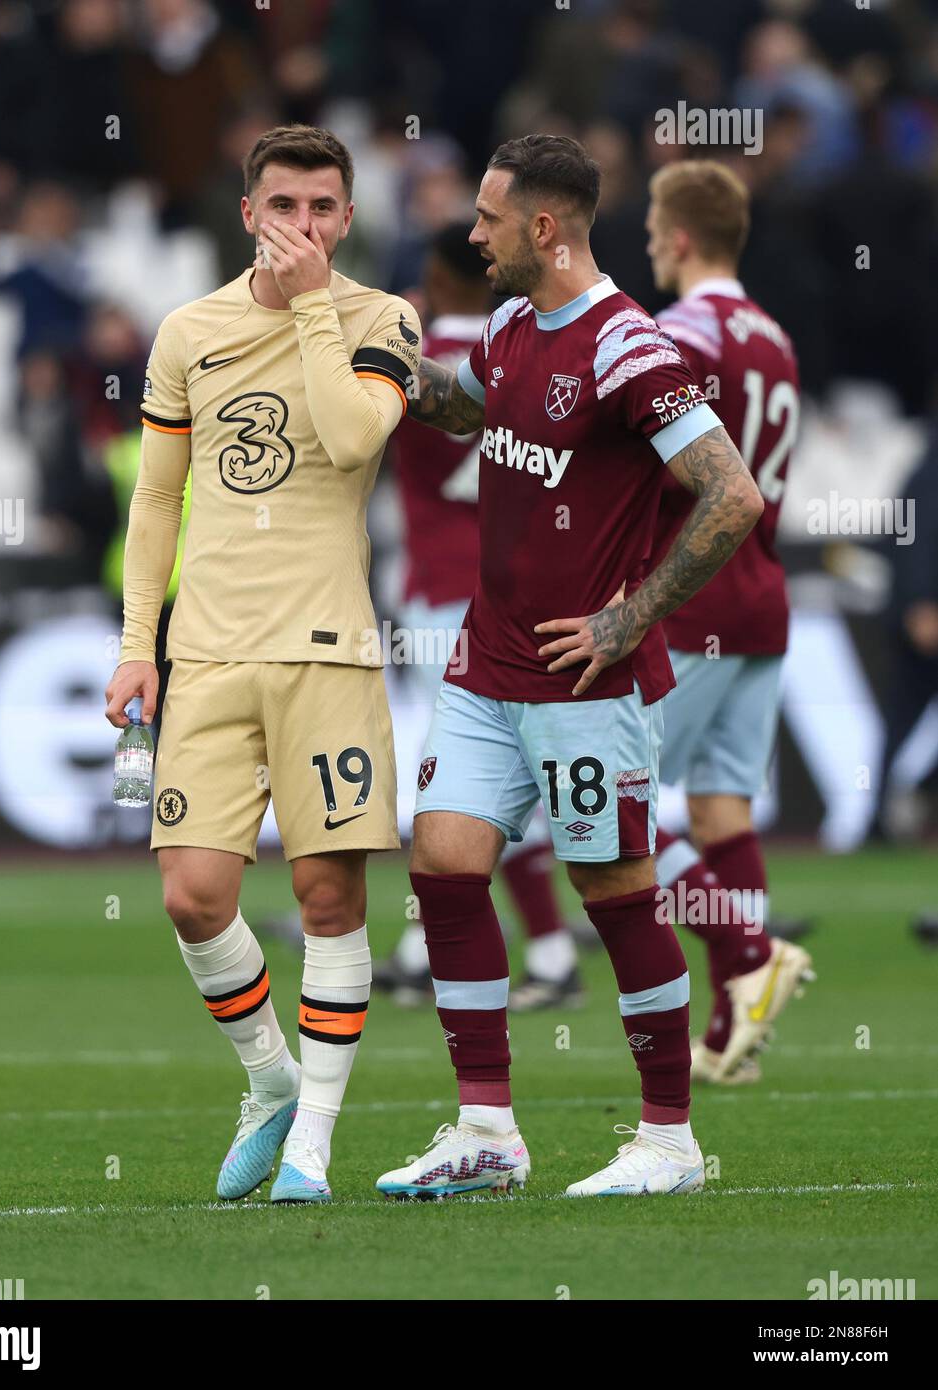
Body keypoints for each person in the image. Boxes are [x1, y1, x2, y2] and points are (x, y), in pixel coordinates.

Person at [375, 134, 763, 1200]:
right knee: (443, 862)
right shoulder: (507, 323)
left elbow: (729, 495)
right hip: (483, 660)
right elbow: (479, 414)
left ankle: (669, 1141)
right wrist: (403, 376)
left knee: (615, 893)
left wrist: (624, 618)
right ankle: (485, 1130)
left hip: (583, 683)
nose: (471, 233)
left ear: (541, 228)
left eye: (489, 218)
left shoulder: (627, 346)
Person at [104, 124, 421, 1205]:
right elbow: (155, 500)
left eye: (323, 208)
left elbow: (347, 440)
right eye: (283, 207)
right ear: (247, 214)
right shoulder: (189, 330)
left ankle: (313, 1145)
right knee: (192, 895)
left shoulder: (385, 319)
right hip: (206, 650)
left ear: (347, 215)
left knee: (329, 896)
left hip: (326, 647)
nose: (302, 227)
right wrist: (136, 641)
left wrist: (318, 303)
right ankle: (271, 1081)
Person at [378, 220, 589, 1012]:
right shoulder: (530, 343)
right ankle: (425, 947)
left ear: (433, 276)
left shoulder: (418, 352)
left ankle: (548, 949)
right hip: (522, 583)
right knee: (497, 773)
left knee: (472, 780)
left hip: (441, 588)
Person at [644, 160, 813, 1085]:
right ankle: (731, 1030)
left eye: (650, 231)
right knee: (720, 808)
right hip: (762, 596)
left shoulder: (680, 331)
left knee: (611, 799)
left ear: (675, 239)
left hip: (694, 592)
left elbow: (673, 467)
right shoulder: (773, 335)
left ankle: (749, 953)